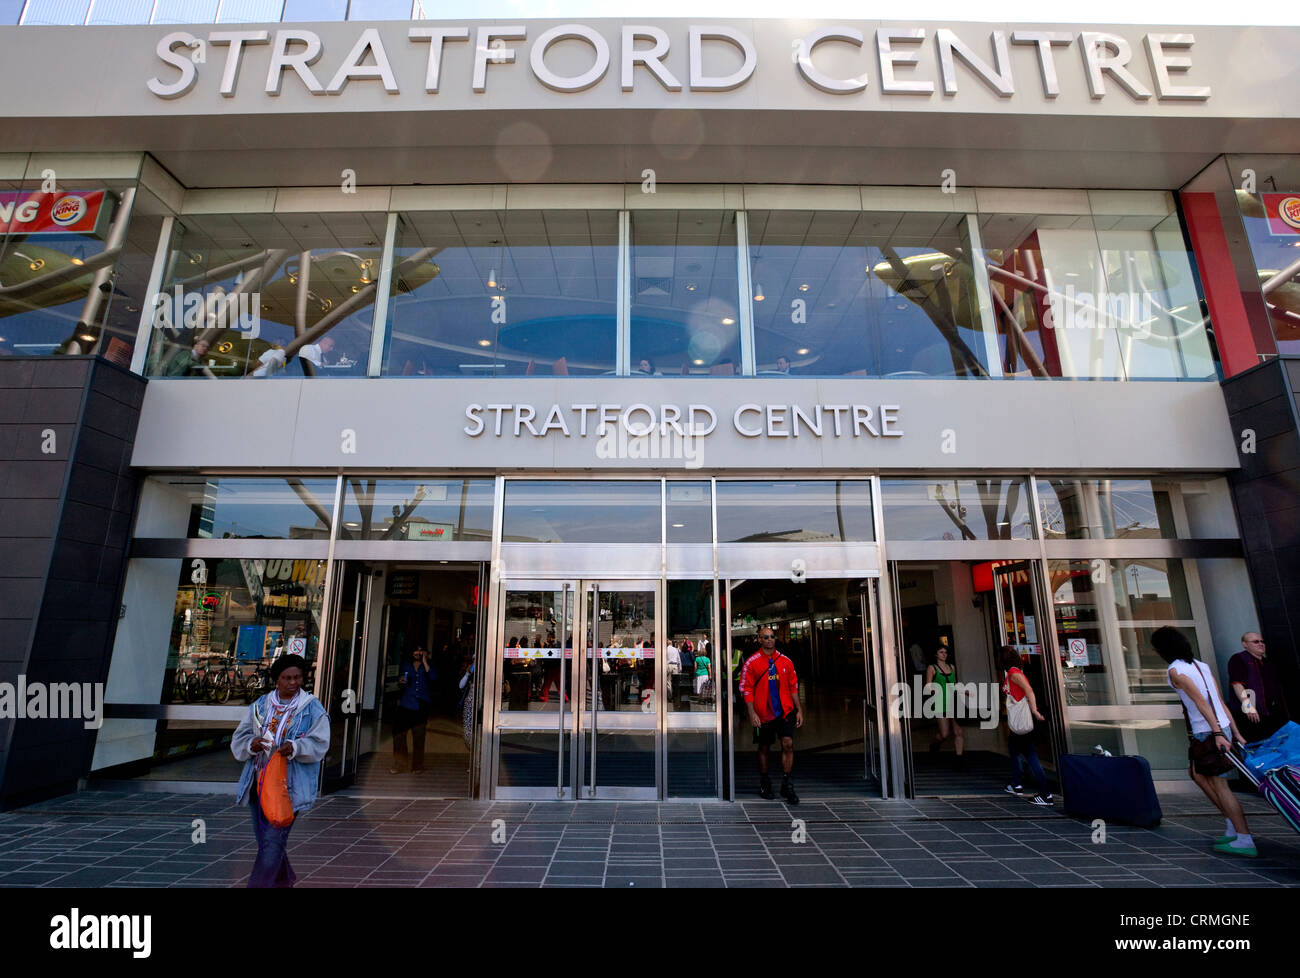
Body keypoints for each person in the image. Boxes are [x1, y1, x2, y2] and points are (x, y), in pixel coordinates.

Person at [1153, 626, 1256, 856]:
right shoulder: (1201, 666)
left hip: (1207, 731)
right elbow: (1218, 700)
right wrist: (1234, 731)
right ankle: (1232, 826)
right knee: (1196, 773)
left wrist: (1218, 733)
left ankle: (1243, 837)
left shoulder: (1175, 671)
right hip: (1219, 727)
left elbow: (1202, 703)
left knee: (1220, 785)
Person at [231, 654, 329, 888]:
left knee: (272, 843)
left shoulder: (311, 707)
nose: (293, 682)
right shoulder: (261, 704)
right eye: (287, 678)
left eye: (297, 677)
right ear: (277, 679)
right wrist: (251, 744)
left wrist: (295, 747)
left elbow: (320, 743)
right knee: (267, 843)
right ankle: (284, 880)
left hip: (288, 786)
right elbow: (240, 737)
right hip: (259, 781)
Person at [740, 627, 804, 804]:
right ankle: (765, 782)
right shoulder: (751, 663)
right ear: (759, 639)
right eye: (765, 637)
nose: (769, 640)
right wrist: (752, 713)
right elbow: (746, 689)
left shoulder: (786, 662)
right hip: (762, 714)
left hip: (784, 712)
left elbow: (793, 687)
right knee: (764, 748)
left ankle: (787, 783)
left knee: (788, 743)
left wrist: (799, 709)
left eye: (772, 637)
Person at [999, 645, 1051, 807]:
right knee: (1014, 750)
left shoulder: (1014, 673)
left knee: (1030, 756)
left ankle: (1046, 794)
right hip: (1020, 722)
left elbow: (1029, 691)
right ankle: (1016, 784)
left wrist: (1034, 711)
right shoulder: (1013, 673)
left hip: (1023, 721)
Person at [1228, 632, 1291, 743]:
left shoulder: (1267, 663)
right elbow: (1237, 684)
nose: (1261, 644)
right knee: (1259, 746)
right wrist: (1248, 707)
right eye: (1256, 642)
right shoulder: (1239, 659)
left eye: (1262, 641)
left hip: (1272, 713)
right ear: (1245, 644)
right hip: (1252, 714)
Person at [393, 646, 435, 773]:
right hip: (406, 703)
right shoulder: (406, 665)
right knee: (399, 735)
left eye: (421, 651)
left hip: (421, 705)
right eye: (416, 650)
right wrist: (400, 680)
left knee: (419, 736)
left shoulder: (428, 666)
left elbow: (433, 678)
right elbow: (401, 680)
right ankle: (400, 765)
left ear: (426, 653)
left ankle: (417, 766)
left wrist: (425, 662)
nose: (418, 653)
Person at [925, 643, 965, 767]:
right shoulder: (932, 668)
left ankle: (959, 760)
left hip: (953, 701)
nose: (944, 654)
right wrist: (933, 691)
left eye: (945, 652)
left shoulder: (952, 667)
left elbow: (954, 684)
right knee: (945, 734)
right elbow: (928, 685)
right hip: (940, 702)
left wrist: (965, 691)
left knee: (958, 731)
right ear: (936, 654)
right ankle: (934, 745)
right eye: (941, 652)